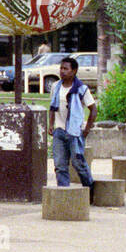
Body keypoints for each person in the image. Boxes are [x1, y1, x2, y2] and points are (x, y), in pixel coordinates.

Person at [48, 56, 96, 188]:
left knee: (78, 163)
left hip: (74, 132)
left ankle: (90, 188)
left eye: (66, 69)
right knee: (59, 165)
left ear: (74, 71)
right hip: (59, 130)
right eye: (61, 68)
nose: (62, 71)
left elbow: (93, 109)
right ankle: (64, 192)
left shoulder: (81, 88)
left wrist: (86, 129)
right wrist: (51, 124)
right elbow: (52, 107)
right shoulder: (55, 87)